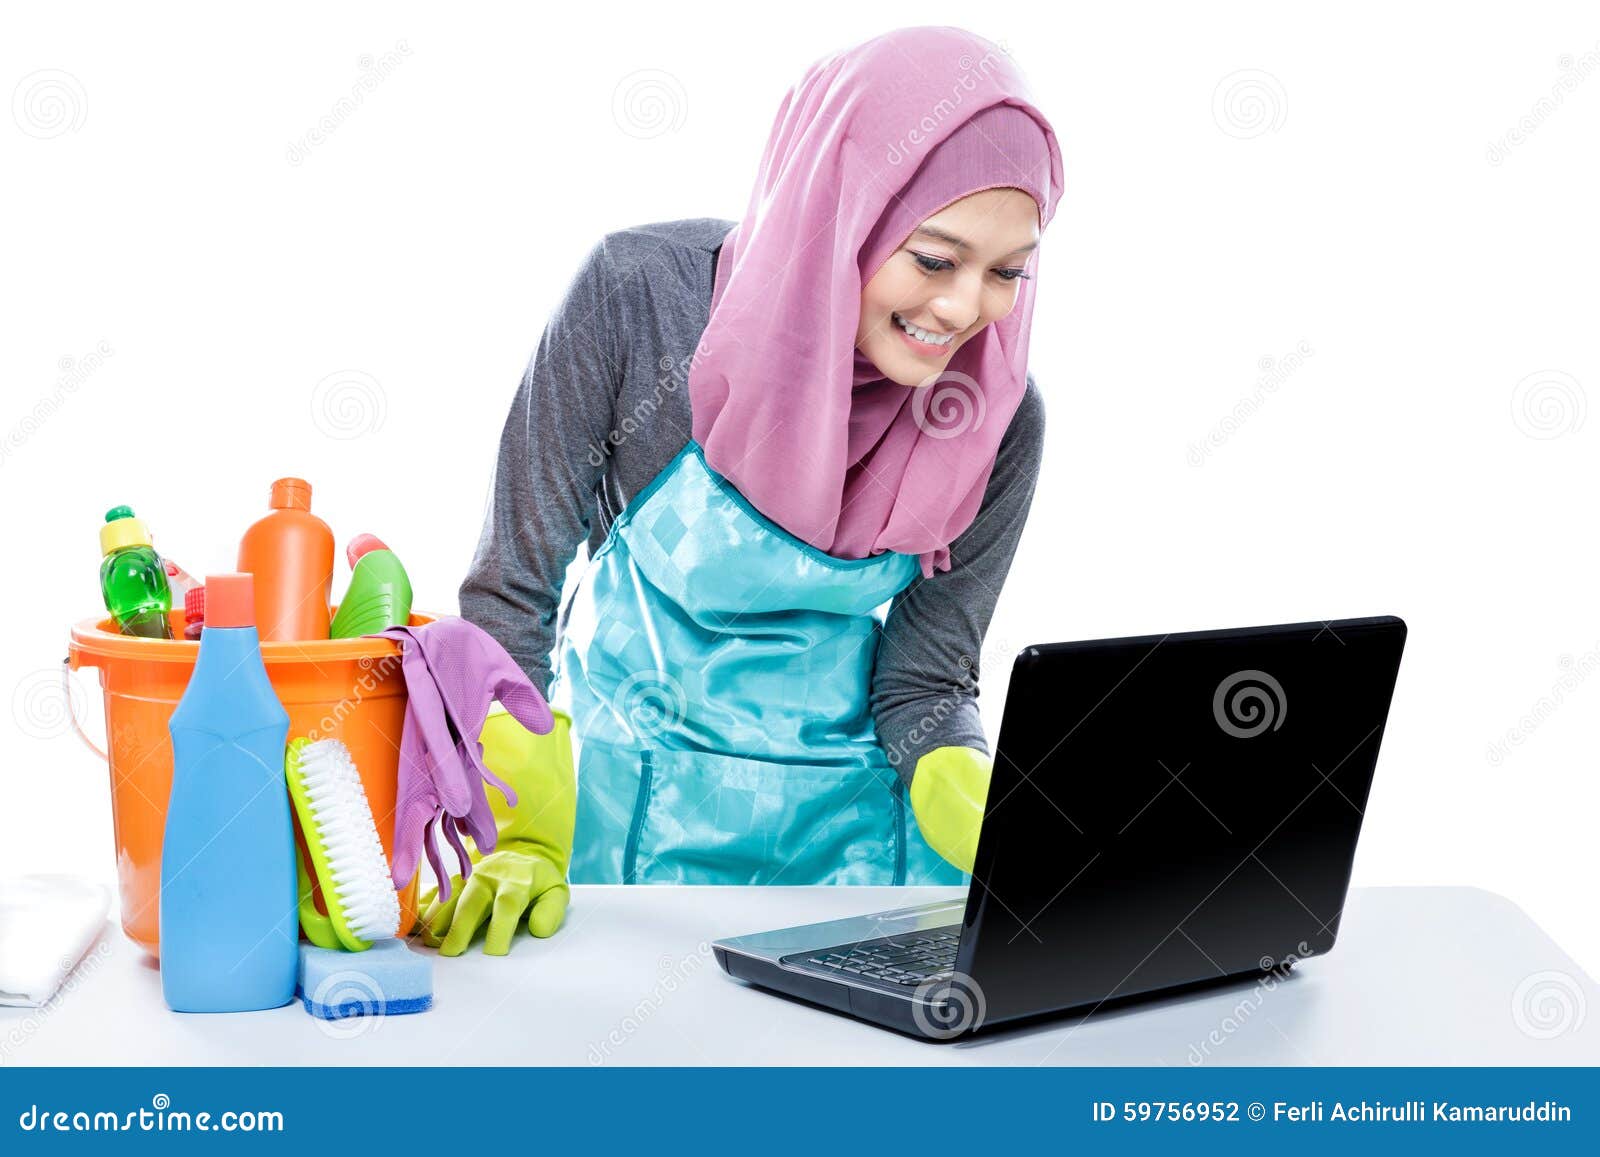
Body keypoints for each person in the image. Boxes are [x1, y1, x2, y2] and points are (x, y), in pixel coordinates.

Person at [421, 25, 1065, 955]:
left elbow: (924, 683)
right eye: (934, 258)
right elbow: (511, 592)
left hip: (857, 865)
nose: (966, 311)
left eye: (1007, 272)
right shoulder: (637, 301)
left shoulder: (995, 411)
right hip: (622, 839)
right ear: (846, 207)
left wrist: (1009, 827)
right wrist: (516, 819)